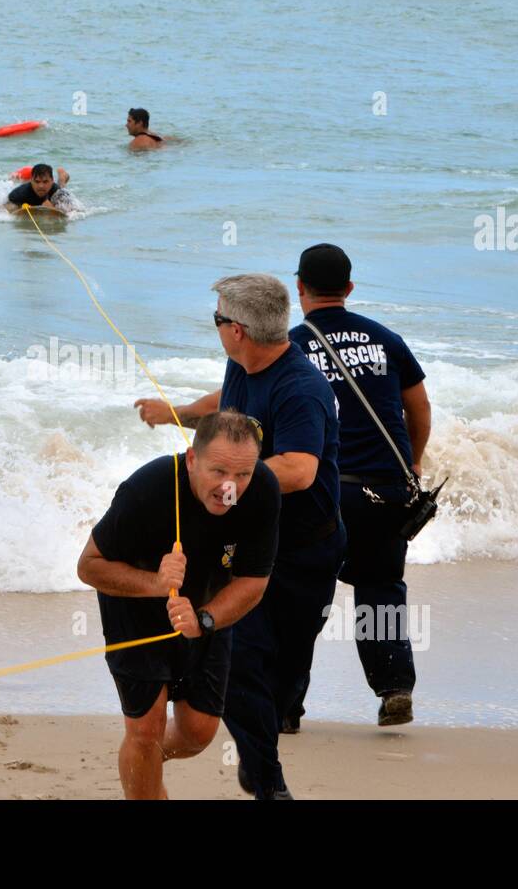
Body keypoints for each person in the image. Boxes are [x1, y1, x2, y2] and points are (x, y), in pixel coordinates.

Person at [134, 274, 341, 799]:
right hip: (244, 550)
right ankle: (268, 782)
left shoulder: (302, 389)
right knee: (245, 664)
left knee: (286, 673)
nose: (217, 329)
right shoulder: (242, 363)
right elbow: (230, 403)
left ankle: (265, 742)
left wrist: (225, 480)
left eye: (218, 320)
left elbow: (298, 469)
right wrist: (176, 413)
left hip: (306, 550)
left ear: (240, 330)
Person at [78, 410, 281, 799]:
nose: (230, 487)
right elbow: (88, 566)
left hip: (205, 606)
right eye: (218, 471)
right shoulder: (147, 489)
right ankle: (141, 753)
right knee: (146, 729)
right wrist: (155, 583)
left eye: (242, 475)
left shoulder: (263, 491)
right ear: (192, 459)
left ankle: (141, 758)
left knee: (198, 733)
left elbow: (253, 582)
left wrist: (204, 620)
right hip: (134, 608)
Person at [288, 243, 432, 729]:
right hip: (386, 489)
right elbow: (420, 410)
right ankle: (395, 689)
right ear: (349, 289)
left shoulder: (292, 347)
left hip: (324, 490)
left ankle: (285, 706)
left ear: (299, 286)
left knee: (303, 594)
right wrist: (408, 467)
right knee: (381, 589)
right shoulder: (386, 338)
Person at [4, 163, 71, 213]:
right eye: (37, 182)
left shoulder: (56, 190)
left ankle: (62, 177)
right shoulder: (21, 192)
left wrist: (55, 209)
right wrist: (18, 208)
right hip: (27, 191)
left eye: (45, 182)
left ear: (52, 181)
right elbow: (4, 208)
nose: (41, 186)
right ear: (31, 181)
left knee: (62, 188)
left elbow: (70, 210)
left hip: (53, 191)